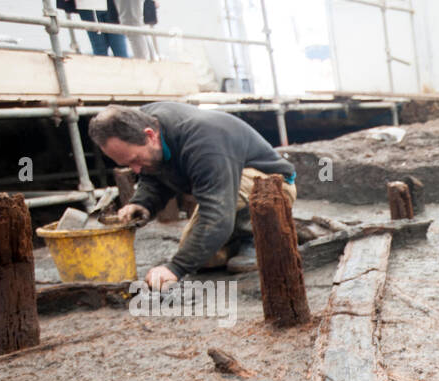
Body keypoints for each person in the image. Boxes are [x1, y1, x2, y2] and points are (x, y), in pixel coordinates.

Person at [87, 103, 297, 289]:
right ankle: (233, 238)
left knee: (205, 239)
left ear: (150, 135)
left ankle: (254, 236)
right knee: (207, 259)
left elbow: (215, 213)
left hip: (272, 183)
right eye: (128, 165)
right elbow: (155, 171)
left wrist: (176, 268)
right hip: (226, 183)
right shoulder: (140, 123)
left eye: (135, 160)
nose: (136, 170)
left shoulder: (204, 142)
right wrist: (143, 203)